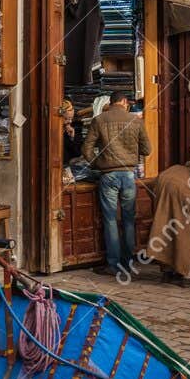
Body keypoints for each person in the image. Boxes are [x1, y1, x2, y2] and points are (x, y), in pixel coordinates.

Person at [82, 91, 152, 274]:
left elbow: (86, 148)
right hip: (128, 174)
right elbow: (147, 149)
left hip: (108, 174)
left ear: (111, 102)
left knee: (111, 220)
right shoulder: (135, 121)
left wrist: (97, 163)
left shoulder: (99, 120)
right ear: (123, 102)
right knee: (128, 220)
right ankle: (127, 262)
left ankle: (112, 265)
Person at [145, 164, 190, 282]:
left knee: (165, 228)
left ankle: (167, 270)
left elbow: (149, 185)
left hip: (164, 185)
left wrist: (159, 203)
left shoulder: (178, 168)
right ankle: (185, 271)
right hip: (187, 197)